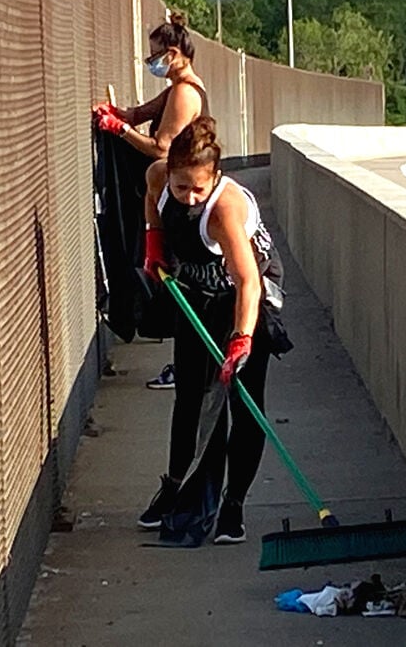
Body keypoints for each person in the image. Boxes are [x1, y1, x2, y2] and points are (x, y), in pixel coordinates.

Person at [137, 116, 285, 545]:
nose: (189, 196)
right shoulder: (158, 176)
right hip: (199, 292)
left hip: (247, 298)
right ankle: (175, 488)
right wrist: (154, 244)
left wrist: (241, 341)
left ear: (214, 177)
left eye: (198, 188)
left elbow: (248, 283)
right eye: (182, 187)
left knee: (242, 398)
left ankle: (233, 505)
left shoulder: (223, 209)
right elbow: (153, 202)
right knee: (189, 396)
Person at [93, 12, 208, 389]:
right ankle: (184, 361)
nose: (152, 62)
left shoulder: (186, 92)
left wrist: (121, 130)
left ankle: (188, 364)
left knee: (177, 281)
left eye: (156, 55)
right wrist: (118, 116)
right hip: (168, 192)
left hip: (178, 197)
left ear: (174, 54)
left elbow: (161, 147)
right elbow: (139, 113)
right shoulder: (177, 88)